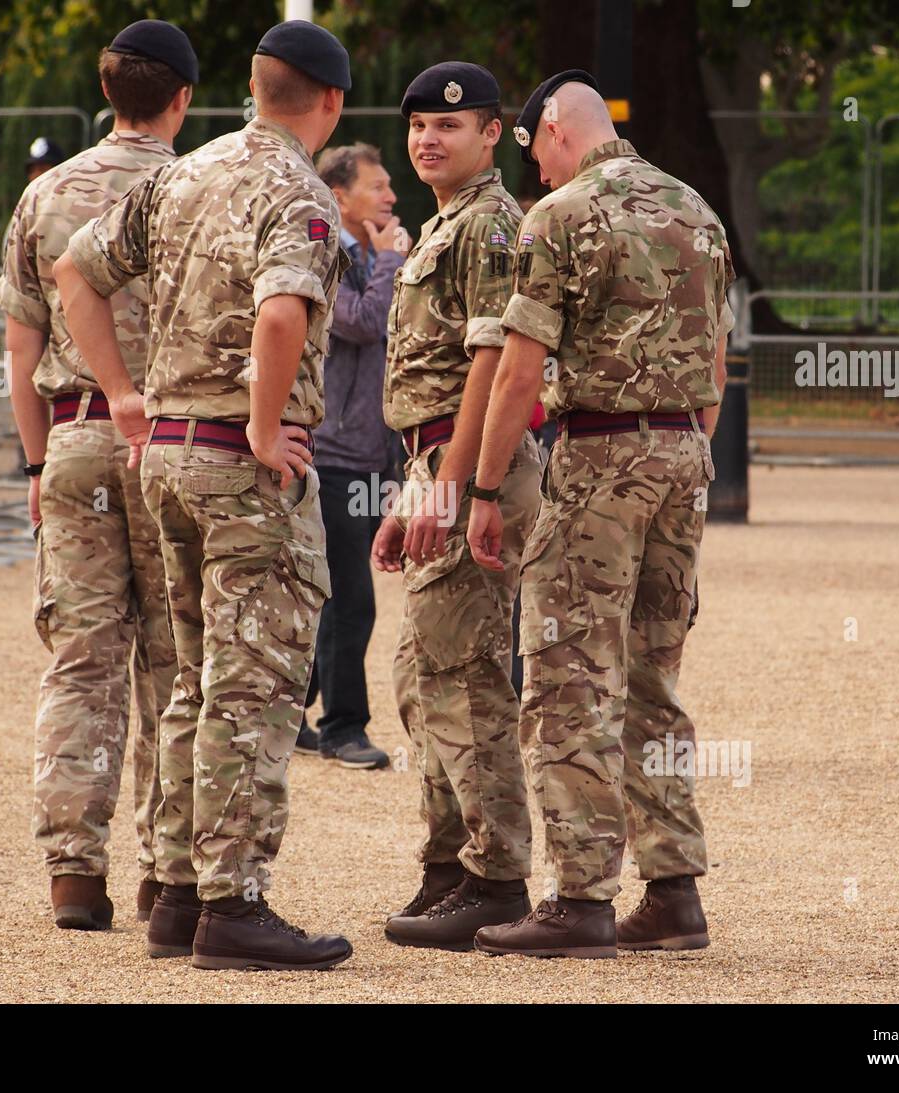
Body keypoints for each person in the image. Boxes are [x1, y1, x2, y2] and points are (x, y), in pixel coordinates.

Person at [55, 19, 354, 972]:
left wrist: (123, 394)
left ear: (254, 87)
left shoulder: (184, 173)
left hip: (168, 457)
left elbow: (75, 272)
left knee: (191, 676)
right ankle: (235, 902)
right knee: (253, 683)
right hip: (238, 465)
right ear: (332, 103)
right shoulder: (302, 194)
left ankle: (178, 891)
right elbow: (281, 312)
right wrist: (267, 428)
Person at [465, 71, 733, 959]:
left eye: (530, 145)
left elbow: (517, 366)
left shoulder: (562, 216)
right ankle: (672, 890)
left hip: (600, 456)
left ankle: (579, 896)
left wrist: (482, 487)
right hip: (684, 455)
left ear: (553, 126)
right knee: (654, 675)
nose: (533, 166)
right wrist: (687, 455)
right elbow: (718, 366)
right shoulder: (694, 208)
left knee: (570, 673)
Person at [0, 19, 195, 932]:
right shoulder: (194, 189)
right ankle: (169, 870)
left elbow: (20, 342)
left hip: (73, 437)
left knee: (80, 659)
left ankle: (74, 870)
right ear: (182, 100)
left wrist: (36, 461)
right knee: (176, 658)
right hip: (174, 439)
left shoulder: (47, 195)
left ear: (108, 92)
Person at [370, 62, 540, 951]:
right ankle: (448, 864)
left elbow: (492, 364)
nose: (428, 140)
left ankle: (498, 875)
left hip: (474, 466)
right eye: (417, 129)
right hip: (435, 455)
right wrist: (414, 485)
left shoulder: (492, 224)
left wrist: (455, 482)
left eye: (450, 126)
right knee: (421, 675)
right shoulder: (447, 223)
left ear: (489, 134)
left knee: (466, 676)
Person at [298, 142, 408, 770]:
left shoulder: (373, 253)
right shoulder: (325, 252)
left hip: (374, 455)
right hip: (333, 452)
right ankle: (343, 727)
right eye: (379, 185)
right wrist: (394, 262)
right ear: (339, 196)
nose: (391, 196)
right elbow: (362, 322)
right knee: (348, 597)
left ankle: (288, 711)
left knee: (332, 596)